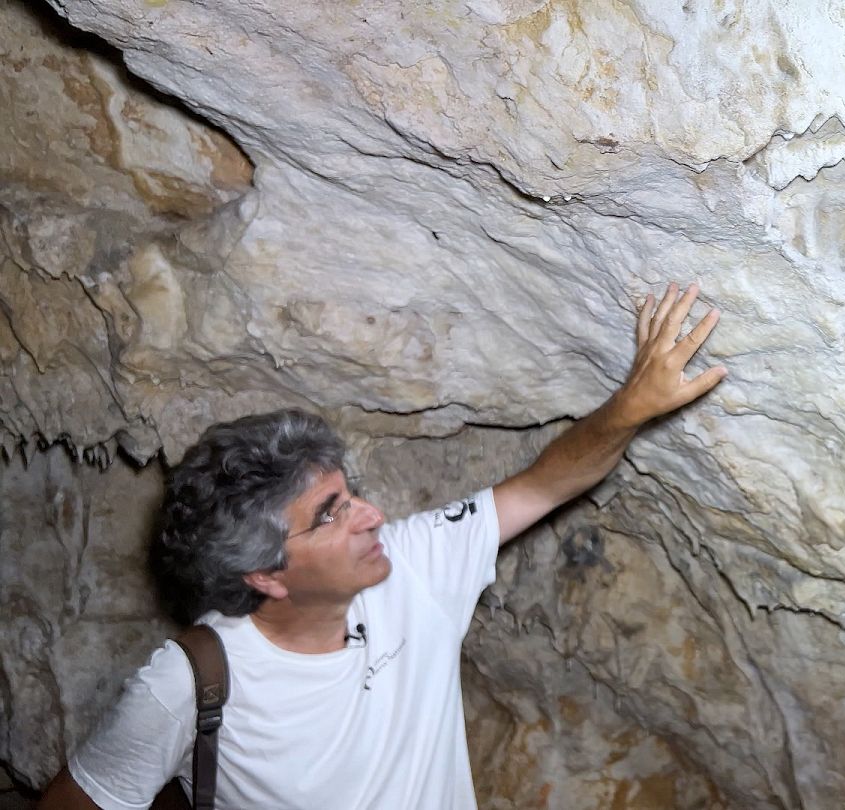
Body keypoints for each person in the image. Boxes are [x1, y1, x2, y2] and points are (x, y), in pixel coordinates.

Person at [37, 283, 726, 809]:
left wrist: (631, 406)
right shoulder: (192, 682)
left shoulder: (413, 566)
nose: (373, 515)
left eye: (350, 491)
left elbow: (546, 485)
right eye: (332, 514)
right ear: (266, 575)